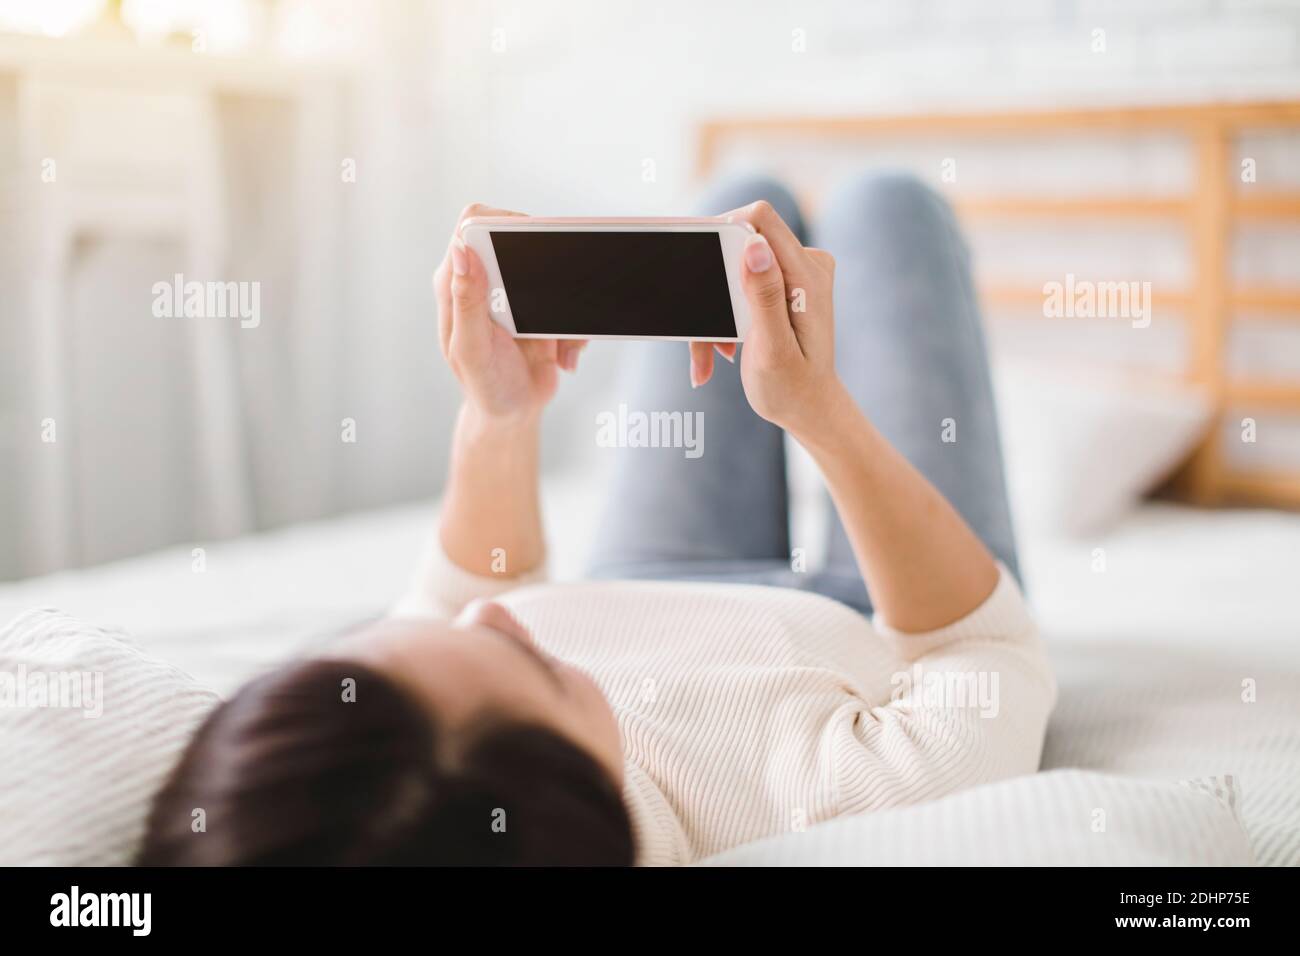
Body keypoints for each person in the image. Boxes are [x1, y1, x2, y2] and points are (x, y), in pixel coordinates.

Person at [138, 173, 1055, 867]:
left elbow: (466, 591)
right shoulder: (816, 809)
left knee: (740, 215)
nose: (488, 615)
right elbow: (979, 652)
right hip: (889, 621)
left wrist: (502, 411)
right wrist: (819, 413)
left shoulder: (382, 762)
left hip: (644, 575)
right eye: (525, 659)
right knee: (890, 208)